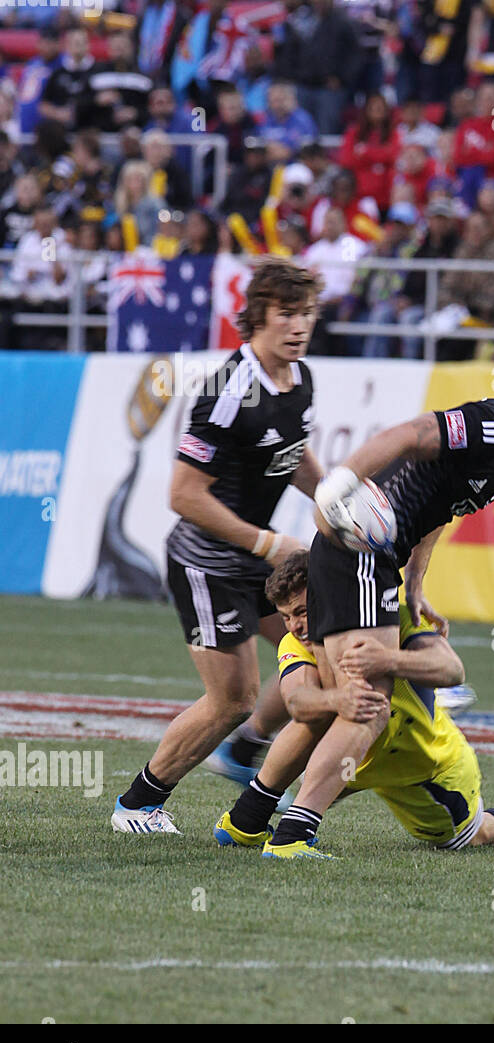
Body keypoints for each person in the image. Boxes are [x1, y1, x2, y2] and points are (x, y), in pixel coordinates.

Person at [259, 350, 494, 857]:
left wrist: (416, 580)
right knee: (366, 708)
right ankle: (290, 835)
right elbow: (412, 434)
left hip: (375, 561)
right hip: (362, 552)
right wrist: (341, 483)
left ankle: (247, 818)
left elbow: (439, 506)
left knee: (348, 703)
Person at [111, 261, 326, 835]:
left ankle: (246, 750)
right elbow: (183, 493)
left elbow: (293, 454)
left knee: (319, 650)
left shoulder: (299, 378)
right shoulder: (229, 390)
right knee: (232, 696)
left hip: (257, 560)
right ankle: (138, 805)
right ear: (257, 315)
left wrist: (334, 498)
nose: (299, 324)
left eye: (307, 312)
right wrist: (267, 541)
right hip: (206, 563)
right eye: (287, 313)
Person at [212, 551, 494, 855]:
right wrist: (338, 698)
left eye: (302, 611)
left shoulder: (388, 616)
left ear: (327, 594)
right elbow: (297, 701)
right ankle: (249, 823)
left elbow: (452, 670)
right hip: (348, 757)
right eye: (286, 616)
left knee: (469, 837)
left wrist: (387, 661)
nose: (296, 626)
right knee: (312, 714)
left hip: (419, 767)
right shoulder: (298, 641)